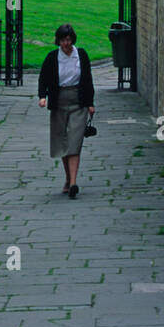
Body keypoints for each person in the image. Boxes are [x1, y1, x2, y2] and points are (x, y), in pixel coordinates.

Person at [38, 23, 95, 198]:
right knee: (63, 142)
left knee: (74, 142)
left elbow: (88, 79)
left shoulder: (81, 55)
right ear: (58, 41)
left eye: (69, 40)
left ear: (73, 39)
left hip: (78, 101)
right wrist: (42, 96)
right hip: (59, 101)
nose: (66, 44)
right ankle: (68, 178)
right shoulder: (52, 57)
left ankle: (73, 183)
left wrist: (90, 103)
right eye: (63, 40)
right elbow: (43, 78)